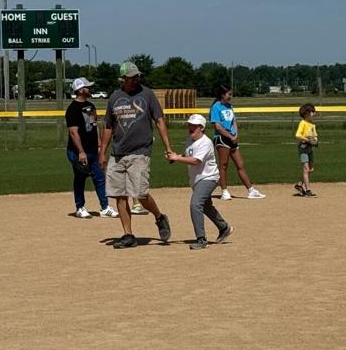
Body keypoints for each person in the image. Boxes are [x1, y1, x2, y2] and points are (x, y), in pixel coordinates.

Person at [100, 61, 173, 249]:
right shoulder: (115, 98)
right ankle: (128, 234)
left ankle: (159, 217)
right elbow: (108, 127)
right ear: (123, 79)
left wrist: (168, 147)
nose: (135, 80)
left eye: (137, 77)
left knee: (140, 193)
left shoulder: (147, 94)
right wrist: (102, 153)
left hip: (140, 151)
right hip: (118, 153)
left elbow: (159, 120)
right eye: (131, 78)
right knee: (119, 194)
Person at [167, 114, 234, 250]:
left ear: (202, 128)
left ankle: (201, 239)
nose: (190, 127)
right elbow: (188, 155)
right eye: (189, 125)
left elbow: (196, 160)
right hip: (197, 180)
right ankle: (224, 227)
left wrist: (177, 158)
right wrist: (175, 157)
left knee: (195, 204)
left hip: (209, 178)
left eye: (194, 126)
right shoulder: (189, 141)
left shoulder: (206, 142)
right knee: (205, 206)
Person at [65, 77, 119, 219]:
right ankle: (80, 207)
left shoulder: (90, 106)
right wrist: (81, 152)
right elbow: (73, 132)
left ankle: (105, 207)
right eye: (87, 87)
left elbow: (94, 126)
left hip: (93, 150)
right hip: (77, 151)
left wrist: (100, 144)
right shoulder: (72, 109)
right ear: (80, 90)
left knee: (99, 178)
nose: (89, 89)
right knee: (80, 177)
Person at [209, 85, 266, 200]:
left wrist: (235, 134)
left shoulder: (229, 106)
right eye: (229, 94)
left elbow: (234, 121)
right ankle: (224, 191)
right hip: (222, 138)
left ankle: (251, 190)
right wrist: (230, 135)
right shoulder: (216, 107)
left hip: (232, 138)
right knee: (224, 165)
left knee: (240, 164)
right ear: (222, 95)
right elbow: (218, 126)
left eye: (231, 94)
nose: (230, 96)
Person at [294, 103, 318, 197]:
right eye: (312, 111)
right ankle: (308, 190)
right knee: (306, 169)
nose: (314, 113)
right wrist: (307, 140)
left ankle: (299, 185)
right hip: (303, 147)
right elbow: (298, 135)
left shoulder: (312, 124)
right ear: (306, 113)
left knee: (310, 169)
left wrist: (315, 141)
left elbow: (315, 136)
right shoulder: (303, 123)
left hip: (309, 148)